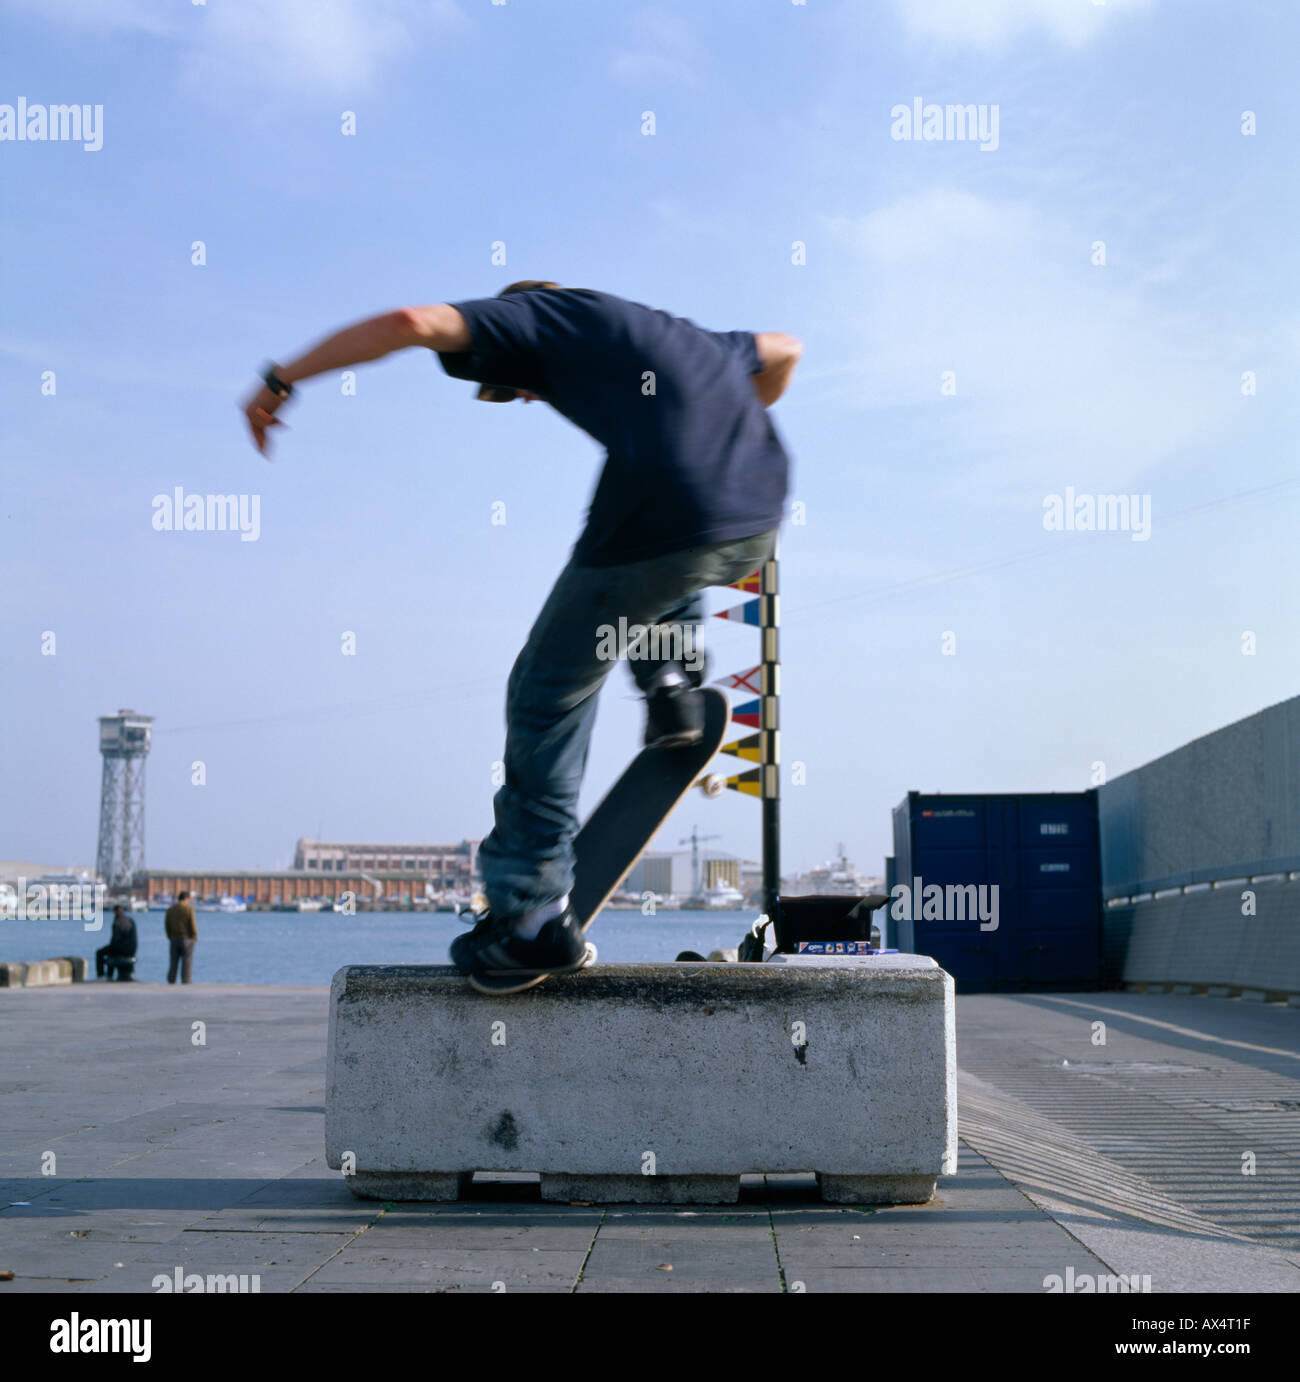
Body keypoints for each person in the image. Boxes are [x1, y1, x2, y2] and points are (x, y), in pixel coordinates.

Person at [242, 282, 800, 994]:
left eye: (507, 389)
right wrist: (722, 441)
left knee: (546, 692)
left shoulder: (530, 318)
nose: (525, 399)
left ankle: (532, 917)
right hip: (754, 517)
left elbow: (411, 322)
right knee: (643, 518)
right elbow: (785, 351)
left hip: (670, 518)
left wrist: (279, 380)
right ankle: (672, 683)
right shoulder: (670, 332)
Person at [96, 904, 138, 980]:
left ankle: (102, 975)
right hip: (132, 950)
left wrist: (112, 946)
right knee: (112, 951)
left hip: (122, 949)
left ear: (114, 912)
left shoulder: (117, 921)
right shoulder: (130, 920)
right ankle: (110, 975)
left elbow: (115, 939)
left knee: (100, 953)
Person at [164, 891, 197, 984]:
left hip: (174, 938)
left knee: (173, 961)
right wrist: (194, 937)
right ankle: (186, 981)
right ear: (186, 899)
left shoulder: (170, 910)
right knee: (187, 962)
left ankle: (171, 979)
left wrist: (169, 936)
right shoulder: (189, 909)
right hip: (187, 939)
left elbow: (166, 925)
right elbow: (192, 924)